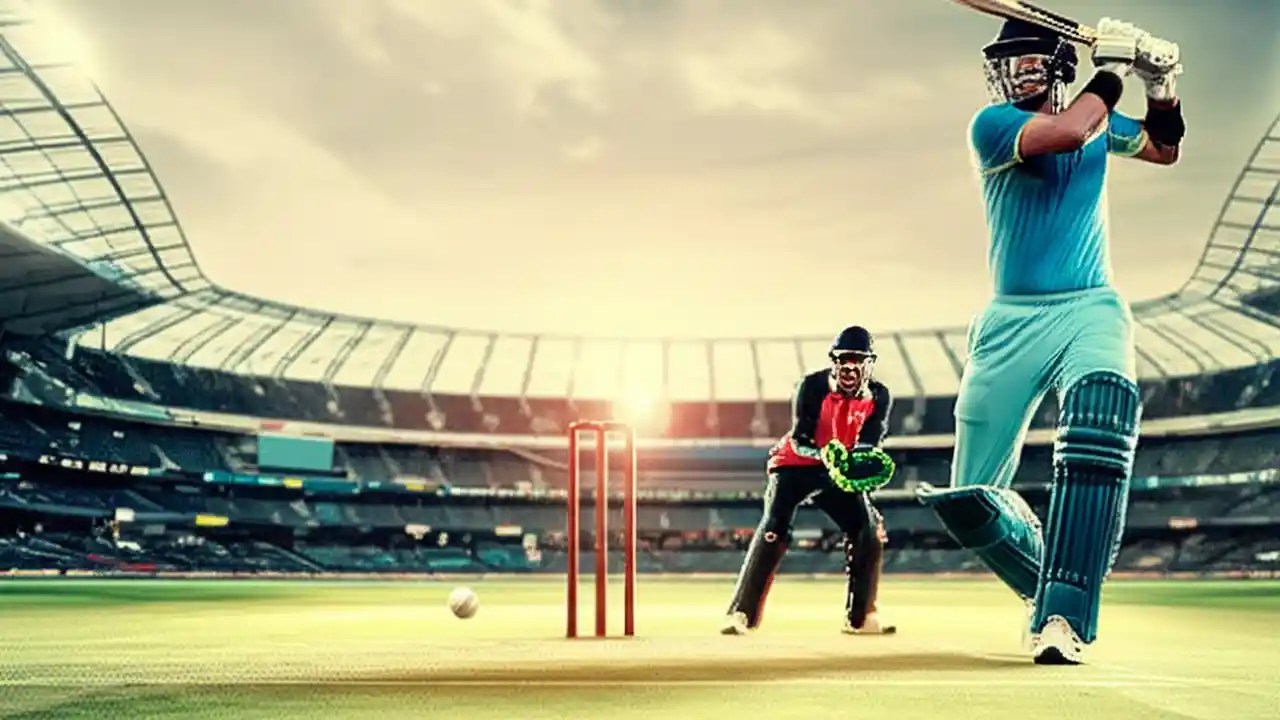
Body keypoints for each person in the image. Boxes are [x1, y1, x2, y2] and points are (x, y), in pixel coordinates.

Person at [915, 17, 1185, 664]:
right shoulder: (993, 125)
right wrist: (1114, 70)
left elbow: (1164, 148)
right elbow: (1066, 132)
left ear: (1061, 66)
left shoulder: (1101, 126)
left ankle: (1061, 618)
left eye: (1035, 59)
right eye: (1013, 61)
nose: (1021, 71)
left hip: (1089, 306)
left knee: (1098, 417)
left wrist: (1164, 86)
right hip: (1010, 321)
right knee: (969, 504)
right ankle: (1054, 578)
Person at [722, 325, 897, 636]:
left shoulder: (879, 396)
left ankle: (861, 617)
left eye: (858, 359)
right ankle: (741, 614)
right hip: (795, 464)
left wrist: (855, 467)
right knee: (775, 528)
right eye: (844, 358)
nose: (850, 366)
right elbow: (802, 437)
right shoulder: (813, 386)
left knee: (868, 529)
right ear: (834, 361)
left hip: (836, 469)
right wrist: (829, 457)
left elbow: (870, 443)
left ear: (869, 362)